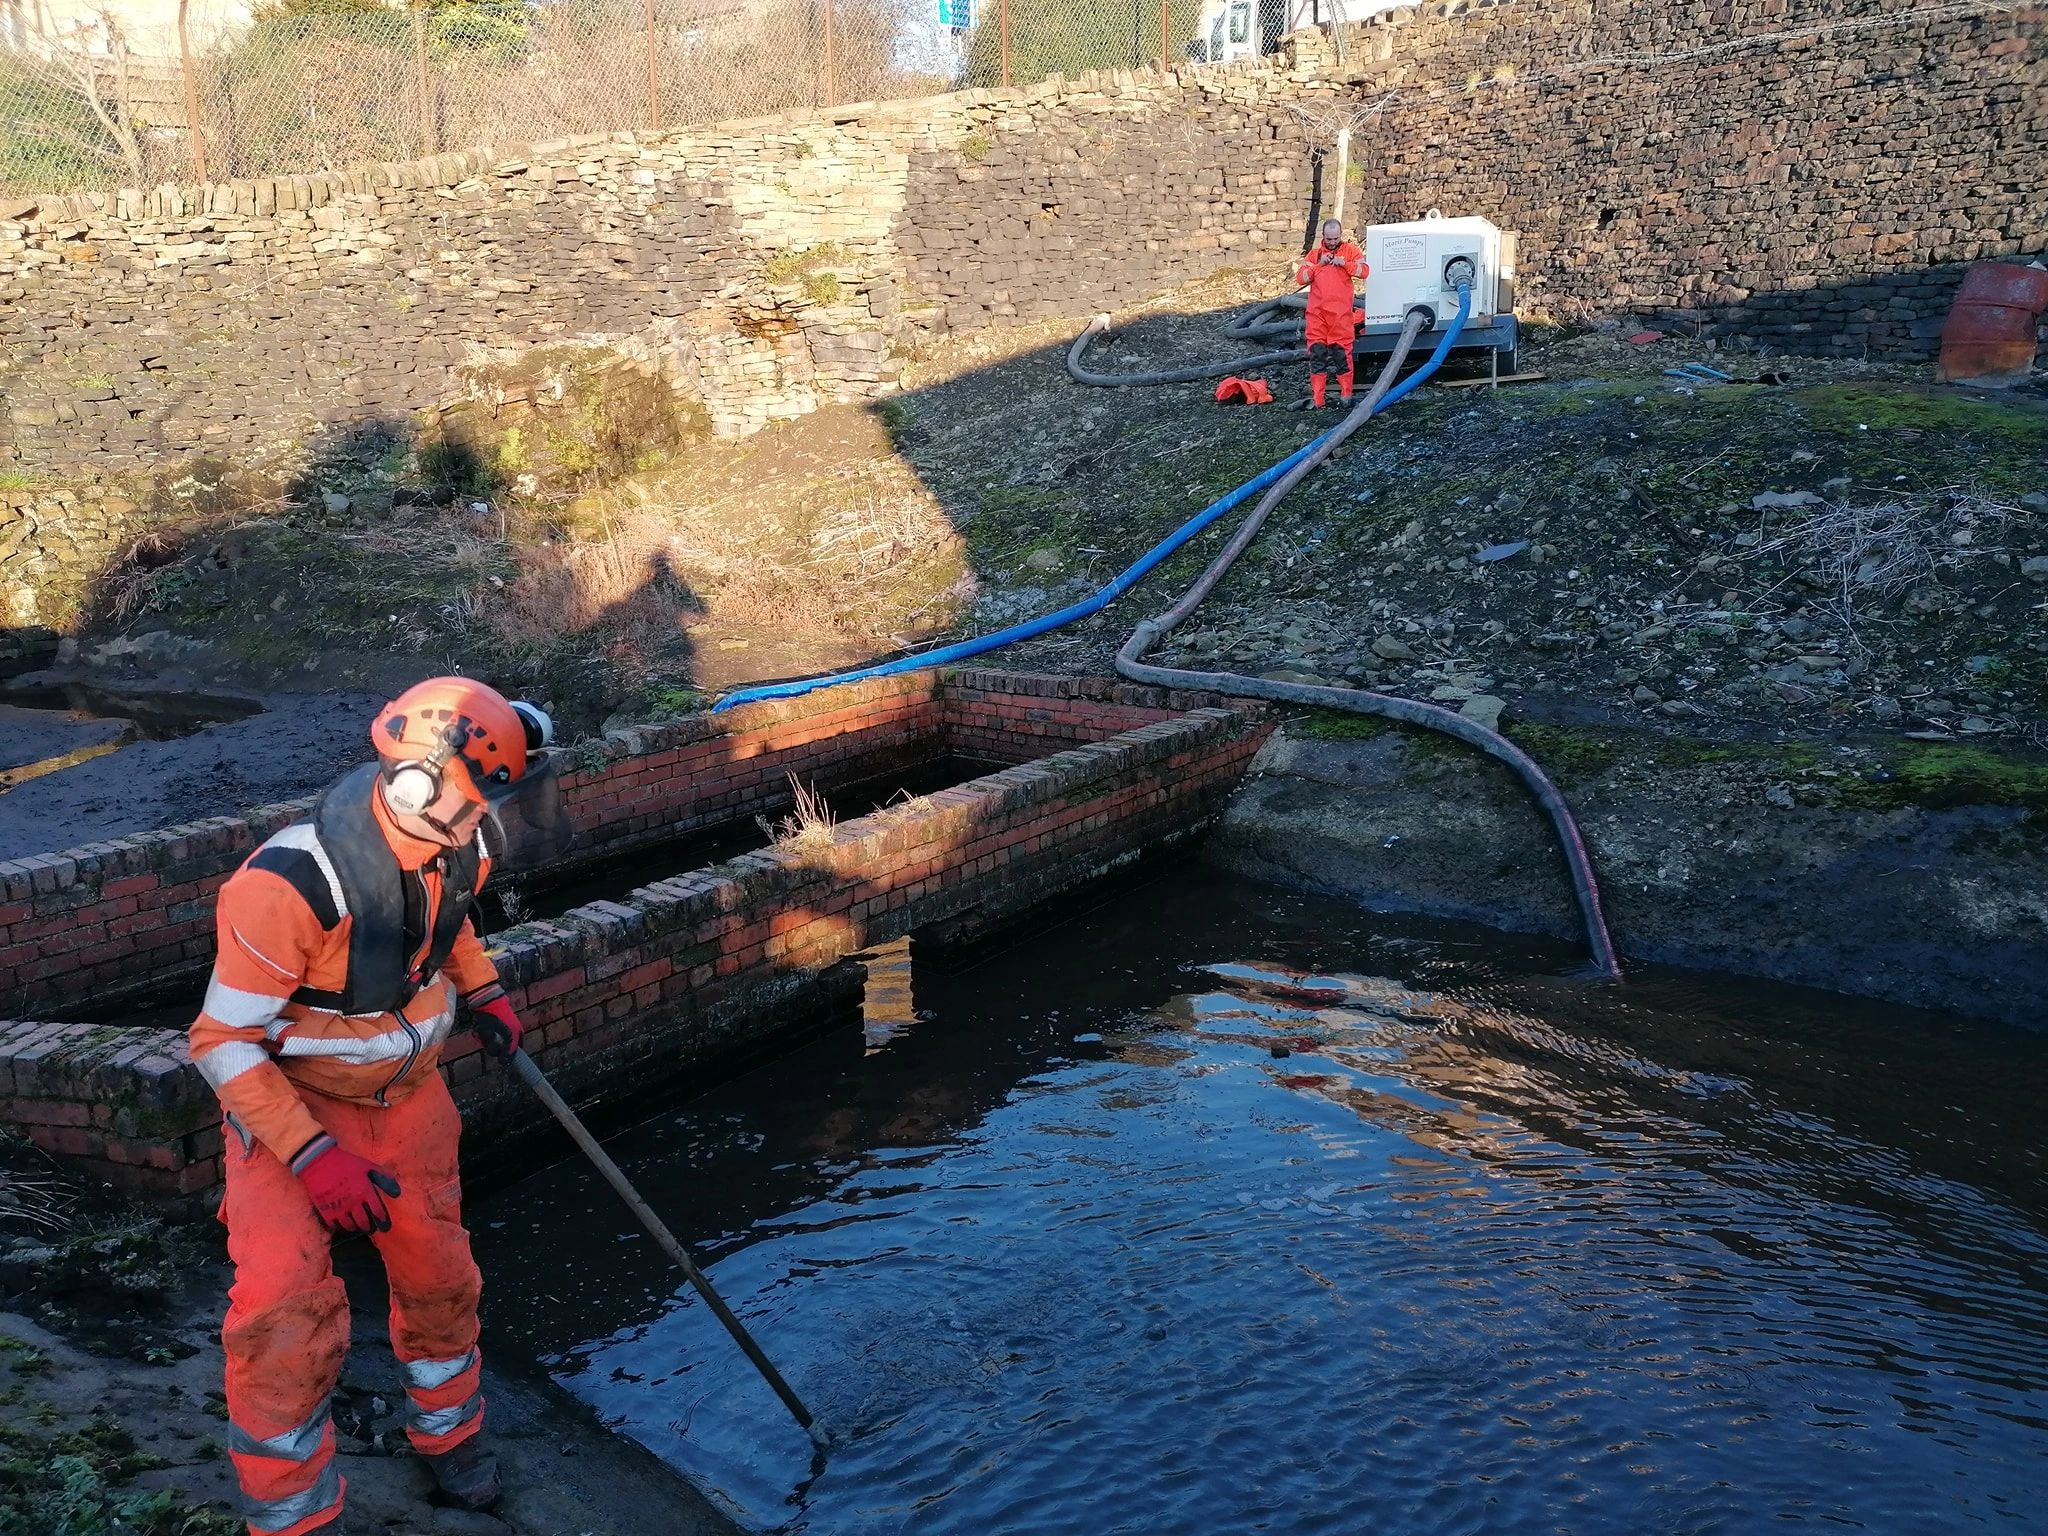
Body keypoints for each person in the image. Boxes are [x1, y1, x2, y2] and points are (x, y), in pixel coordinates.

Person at [188, 678, 555, 1536]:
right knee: (283, 1308)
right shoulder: (284, 888)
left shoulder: (457, 839)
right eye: (471, 811)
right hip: (290, 1111)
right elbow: (222, 1043)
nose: (480, 830)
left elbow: (446, 921)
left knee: (442, 1279)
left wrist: (486, 991)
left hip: (411, 1102)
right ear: (418, 785)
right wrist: (313, 1157)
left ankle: (449, 1435)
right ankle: (292, 1513)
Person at [1293, 217, 1369, 409]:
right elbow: (1301, 278)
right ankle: (1318, 400)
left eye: (1336, 239)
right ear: (1323, 237)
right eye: (1329, 239)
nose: (1333, 242)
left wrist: (1345, 264)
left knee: (1342, 356)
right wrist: (1320, 265)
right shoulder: (1314, 255)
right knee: (1317, 356)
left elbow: (1365, 271)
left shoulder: (1351, 251)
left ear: (1340, 235)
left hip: (1340, 316)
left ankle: (1346, 396)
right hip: (1317, 317)